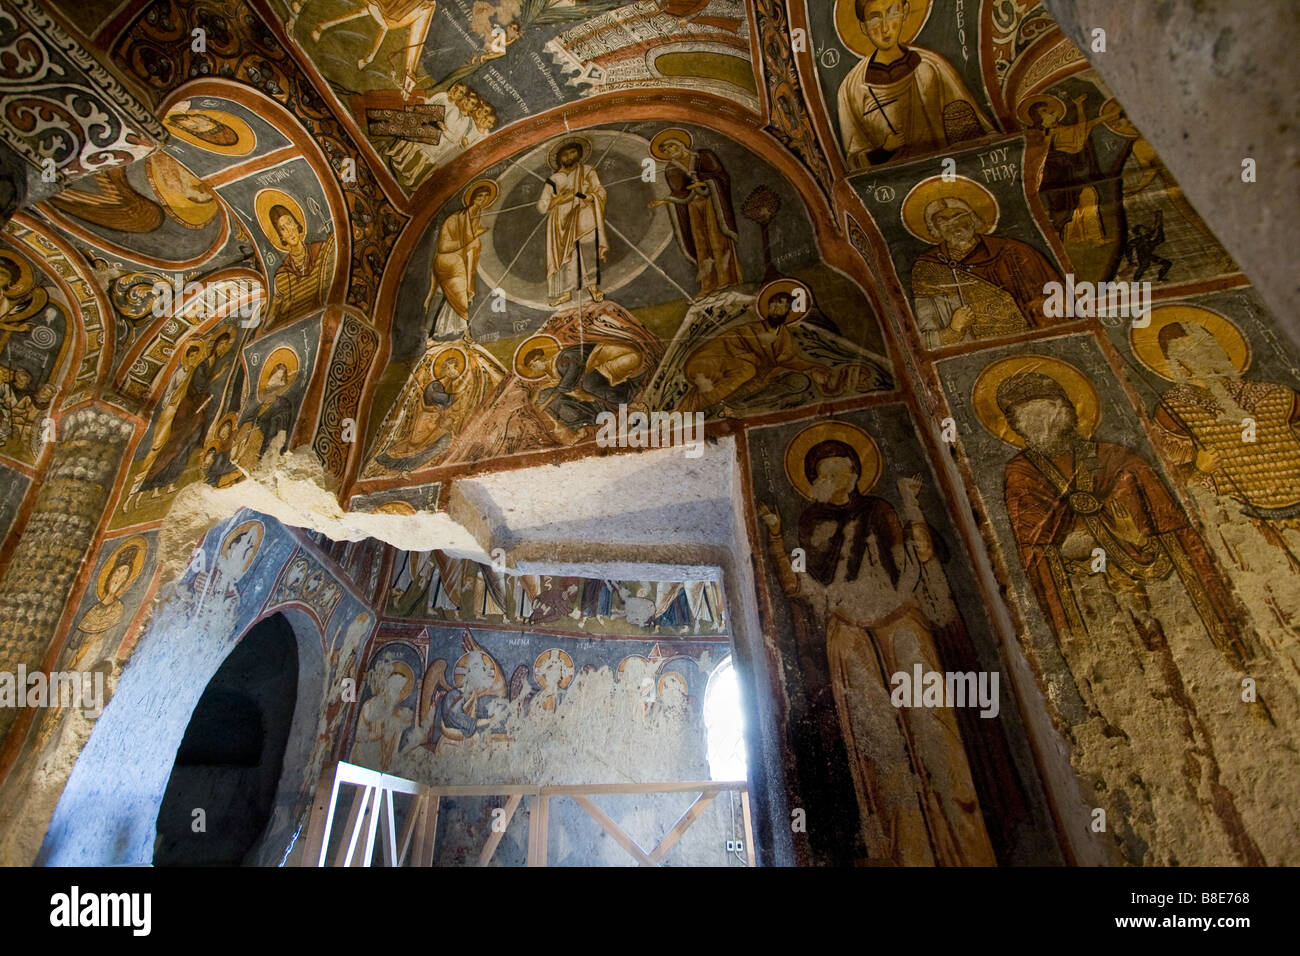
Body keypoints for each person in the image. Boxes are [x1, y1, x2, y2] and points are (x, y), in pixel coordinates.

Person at [994, 368, 1263, 864]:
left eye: (1048, 410)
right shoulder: (1022, 475)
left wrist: (1115, 531)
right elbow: (1036, 545)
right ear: (1015, 426)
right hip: (1098, 609)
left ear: (1068, 410)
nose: (1041, 423)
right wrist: (1080, 539)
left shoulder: (1118, 459)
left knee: (1201, 689)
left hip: (1163, 596)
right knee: (1144, 707)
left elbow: (1168, 525)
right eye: (1026, 419)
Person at [759, 429, 997, 866]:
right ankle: (908, 855)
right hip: (847, 628)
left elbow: (915, 559)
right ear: (814, 479)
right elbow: (801, 587)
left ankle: (969, 851)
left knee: (935, 731)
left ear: (857, 471)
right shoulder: (810, 524)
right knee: (878, 747)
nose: (837, 477)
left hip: (900, 617)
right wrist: (775, 536)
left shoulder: (881, 510)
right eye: (826, 471)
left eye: (844, 468)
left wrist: (912, 506)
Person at [836, 0, 990, 170]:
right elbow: (853, 163)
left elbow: (975, 130)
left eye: (892, 13)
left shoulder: (932, 68)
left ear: (905, 11)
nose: (885, 28)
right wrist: (884, 151)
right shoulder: (852, 88)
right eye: (875, 19)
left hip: (948, 171)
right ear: (864, 27)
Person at [908, 188, 1063, 346]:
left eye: (958, 216)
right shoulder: (929, 269)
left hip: (1030, 345)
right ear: (935, 228)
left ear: (972, 217)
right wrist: (953, 330)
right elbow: (924, 343)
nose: (953, 225)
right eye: (942, 221)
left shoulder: (1014, 252)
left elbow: (1060, 304)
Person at [648, 129, 742, 296]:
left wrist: (703, 183)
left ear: (681, 144)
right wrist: (666, 200)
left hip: (712, 202)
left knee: (717, 238)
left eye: (671, 146)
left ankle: (725, 278)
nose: (670, 151)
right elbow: (678, 190)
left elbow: (720, 175)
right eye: (666, 151)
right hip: (692, 205)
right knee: (701, 244)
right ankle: (707, 285)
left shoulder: (702, 156)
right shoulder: (671, 168)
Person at [536, 139, 607, 306]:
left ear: (579, 153)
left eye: (573, 152)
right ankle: (566, 293)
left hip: (584, 216)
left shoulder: (587, 171)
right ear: (560, 158)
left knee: (588, 251)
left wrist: (587, 197)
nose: (569, 156)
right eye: (565, 154)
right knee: (565, 258)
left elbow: (600, 191)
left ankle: (593, 288)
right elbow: (542, 205)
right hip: (560, 222)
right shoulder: (553, 179)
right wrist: (560, 199)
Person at [425, 180, 497, 339]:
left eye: (486, 197)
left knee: (461, 295)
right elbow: (444, 246)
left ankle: (455, 330)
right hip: (449, 261)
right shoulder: (455, 218)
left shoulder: (478, 217)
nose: (483, 200)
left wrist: (473, 239)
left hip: (463, 262)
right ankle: (442, 332)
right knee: (458, 294)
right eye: (480, 196)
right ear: (472, 198)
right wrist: (470, 238)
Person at [264, 205, 334, 332]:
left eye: (290, 223)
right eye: (283, 229)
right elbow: (272, 314)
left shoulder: (321, 250)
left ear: (297, 224)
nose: (290, 231)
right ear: (281, 237)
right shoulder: (281, 275)